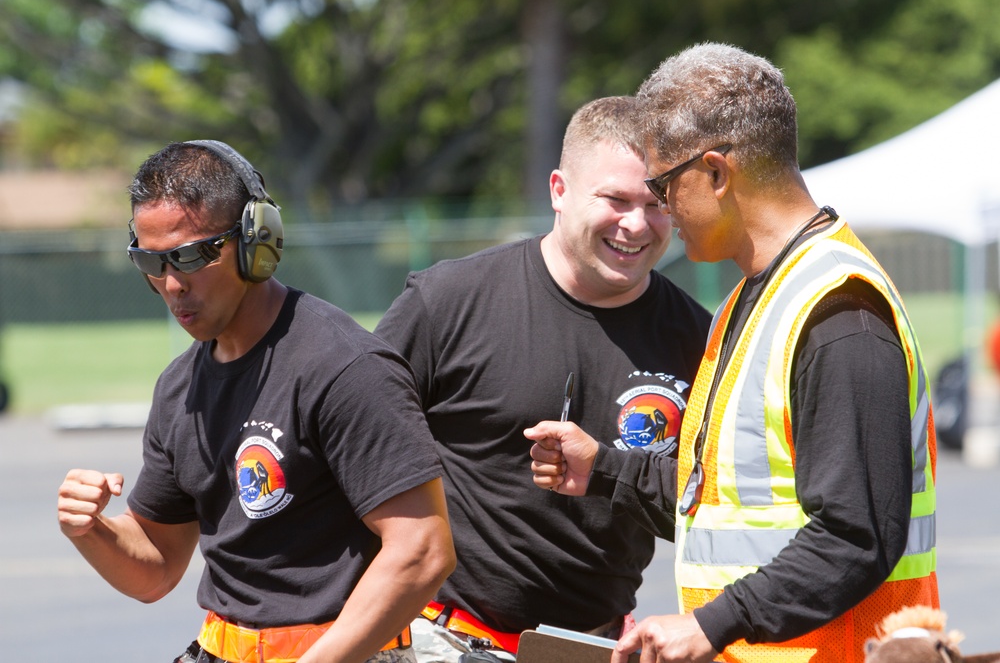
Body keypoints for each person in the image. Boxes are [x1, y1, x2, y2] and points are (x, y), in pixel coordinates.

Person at [528, 43, 939, 663]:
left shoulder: (838, 312)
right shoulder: (755, 299)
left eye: (663, 186)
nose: (661, 210)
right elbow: (725, 502)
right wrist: (605, 470)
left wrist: (712, 623)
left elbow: (857, 535)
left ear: (716, 174)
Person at [56, 140, 455, 663]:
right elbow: (155, 569)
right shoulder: (179, 388)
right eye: (151, 261)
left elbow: (422, 551)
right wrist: (91, 529)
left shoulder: (344, 367)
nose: (171, 284)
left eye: (191, 255)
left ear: (256, 241)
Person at [375, 96, 712, 661]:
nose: (636, 224)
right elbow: (347, 455)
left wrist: (610, 470)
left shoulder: (702, 341)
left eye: (657, 203)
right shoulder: (446, 302)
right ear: (559, 190)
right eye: (615, 199)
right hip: (443, 637)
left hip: (595, 647)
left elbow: (712, 511)